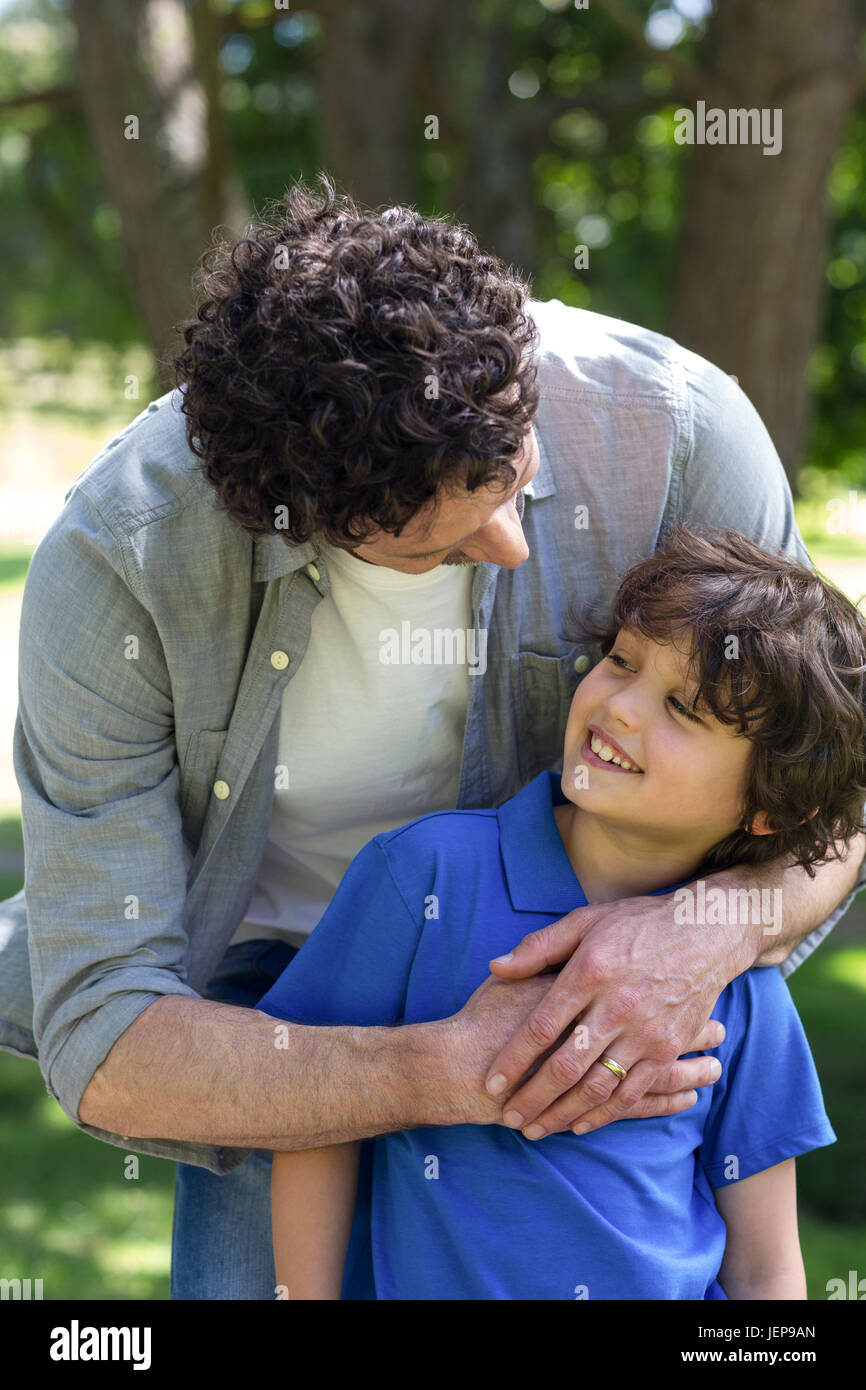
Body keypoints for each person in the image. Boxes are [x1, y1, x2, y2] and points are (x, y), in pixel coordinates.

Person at [1, 175, 863, 1301]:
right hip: (263, 996)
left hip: (572, 921)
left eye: (515, 474)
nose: (510, 545)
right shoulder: (121, 562)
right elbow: (106, 1031)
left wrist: (698, 933)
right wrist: (454, 1067)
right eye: (435, 545)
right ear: (309, 522)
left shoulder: (680, 433)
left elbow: (827, 799)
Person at [258, 527, 865, 1300]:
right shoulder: (425, 875)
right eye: (622, 660)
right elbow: (320, 1117)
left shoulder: (737, 983)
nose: (622, 709)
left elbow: (767, 1266)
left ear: (769, 809)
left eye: (683, 708)